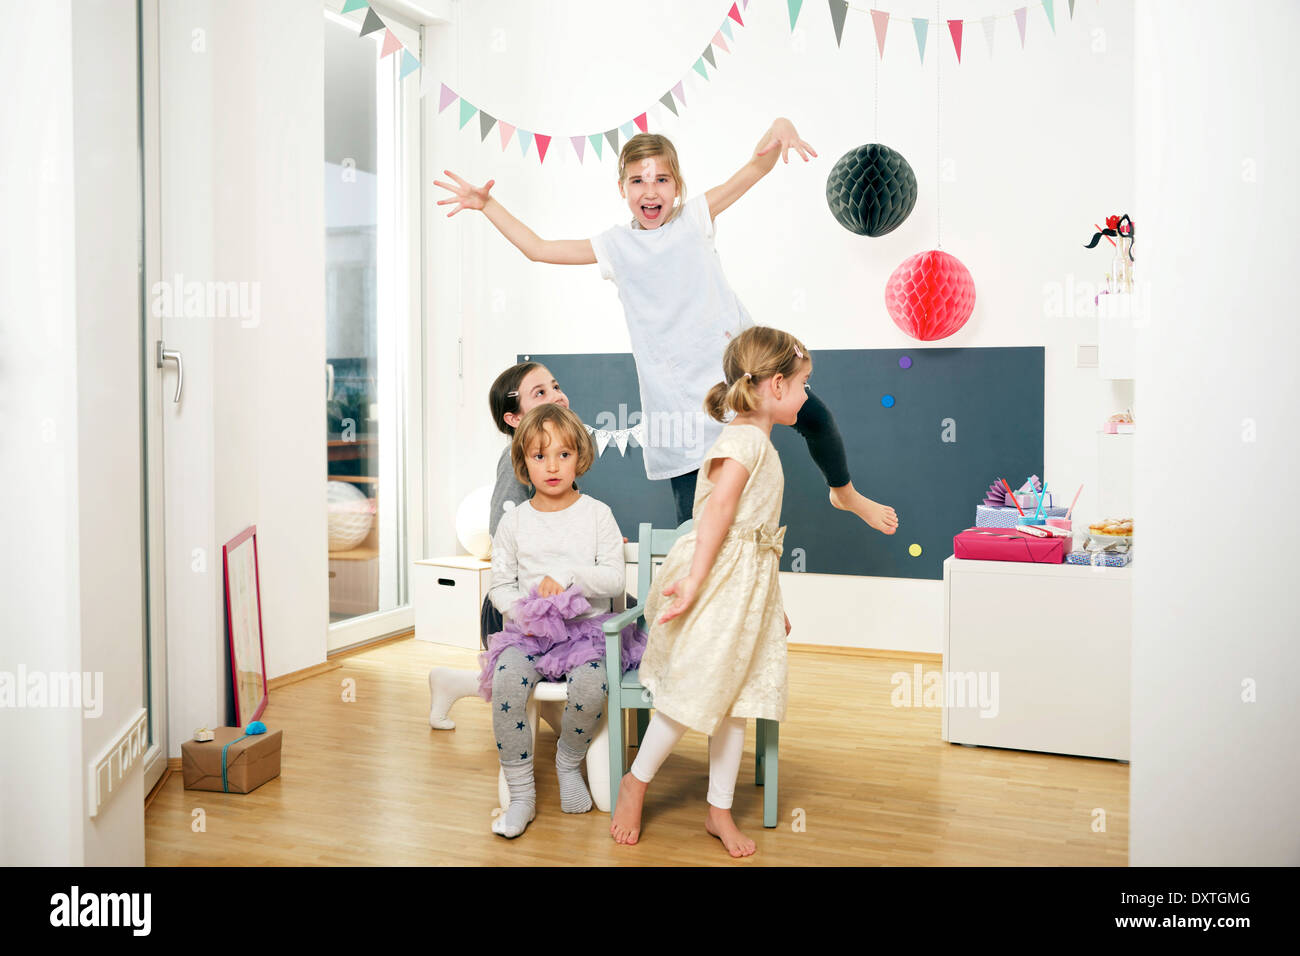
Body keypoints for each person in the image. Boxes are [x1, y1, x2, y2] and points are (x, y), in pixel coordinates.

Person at [434, 120, 898, 533]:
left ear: (677, 186)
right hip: (677, 398)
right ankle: (699, 604)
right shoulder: (616, 246)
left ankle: (844, 492)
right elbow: (539, 248)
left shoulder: (695, 219)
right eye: (637, 180)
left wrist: (778, 130)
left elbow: (752, 171)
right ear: (622, 188)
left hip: (739, 369)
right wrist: (487, 204)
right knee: (695, 520)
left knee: (816, 417)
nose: (649, 191)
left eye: (661, 179)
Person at [609, 326, 806, 858]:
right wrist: (695, 581)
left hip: (748, 585)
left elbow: (759, 539)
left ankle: (719, 809)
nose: (807, 396)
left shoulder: (756, 439)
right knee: (693, 690)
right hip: (719, 581)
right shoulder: (743, 441)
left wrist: (774, 605)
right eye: (804, 384)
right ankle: (637, 780)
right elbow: (718, 512)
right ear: (778, 385)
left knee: (735, 699)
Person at [480, 403, 645, 838]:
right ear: (523, 462)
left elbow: (613, 577)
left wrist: (571, 577)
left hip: (586, 634)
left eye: (563, 454)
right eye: (539, 456)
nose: (552, 466)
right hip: (529, 635)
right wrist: (523, 612)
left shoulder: (596, 514)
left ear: (580, 457)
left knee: (593, 684)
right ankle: (520, 796)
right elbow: (500, 585)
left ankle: (569, 762)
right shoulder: (513, 523)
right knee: (505, 683)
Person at [427, 362, 567, 730]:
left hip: (550, 594)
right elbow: (505, 533)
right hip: (519, 605)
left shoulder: (560, 460)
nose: (556, 396)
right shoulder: (518, 459)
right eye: (540, 393)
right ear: (514, 418)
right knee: (541, 684)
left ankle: (452, 682)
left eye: (555, 386)